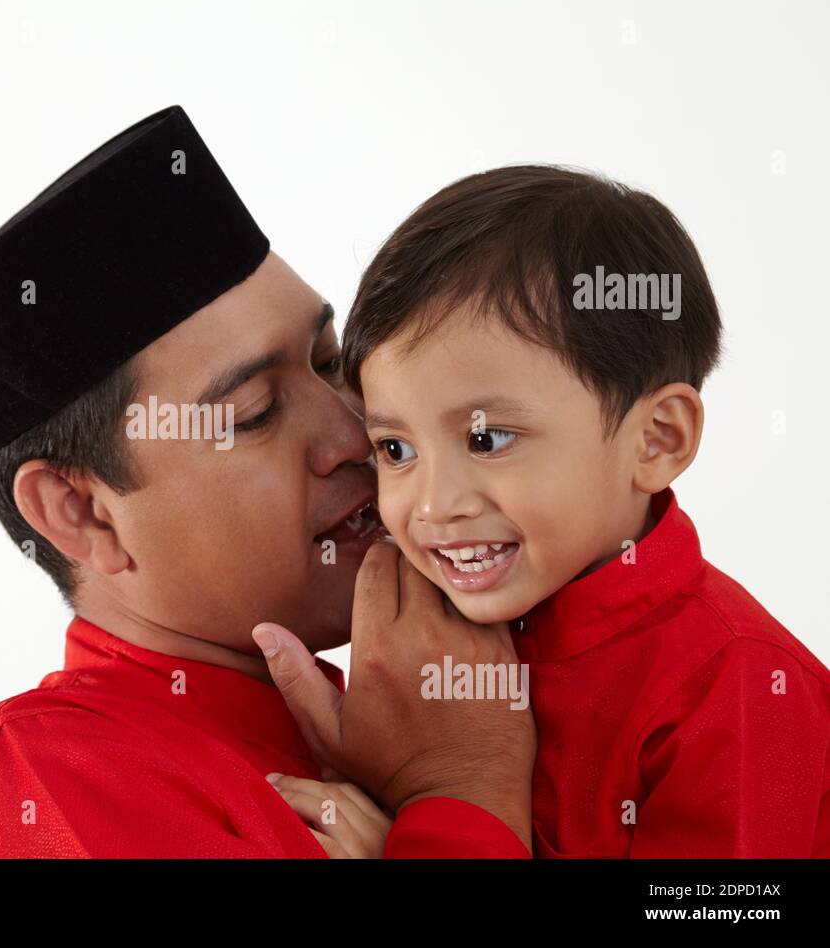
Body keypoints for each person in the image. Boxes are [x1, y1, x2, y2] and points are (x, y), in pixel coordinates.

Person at [0, 106, 534, 858]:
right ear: (81, 514)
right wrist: (464, 793)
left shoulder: (398, 715)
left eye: (331, 362)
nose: (358, 435)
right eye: (254, 414)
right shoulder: (38, 783)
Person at [262, 165, 830, 857]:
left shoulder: (736, 688)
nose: (434, 504)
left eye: (487, 439)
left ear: (657, 440)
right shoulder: (430, 631)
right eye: (395, 447)